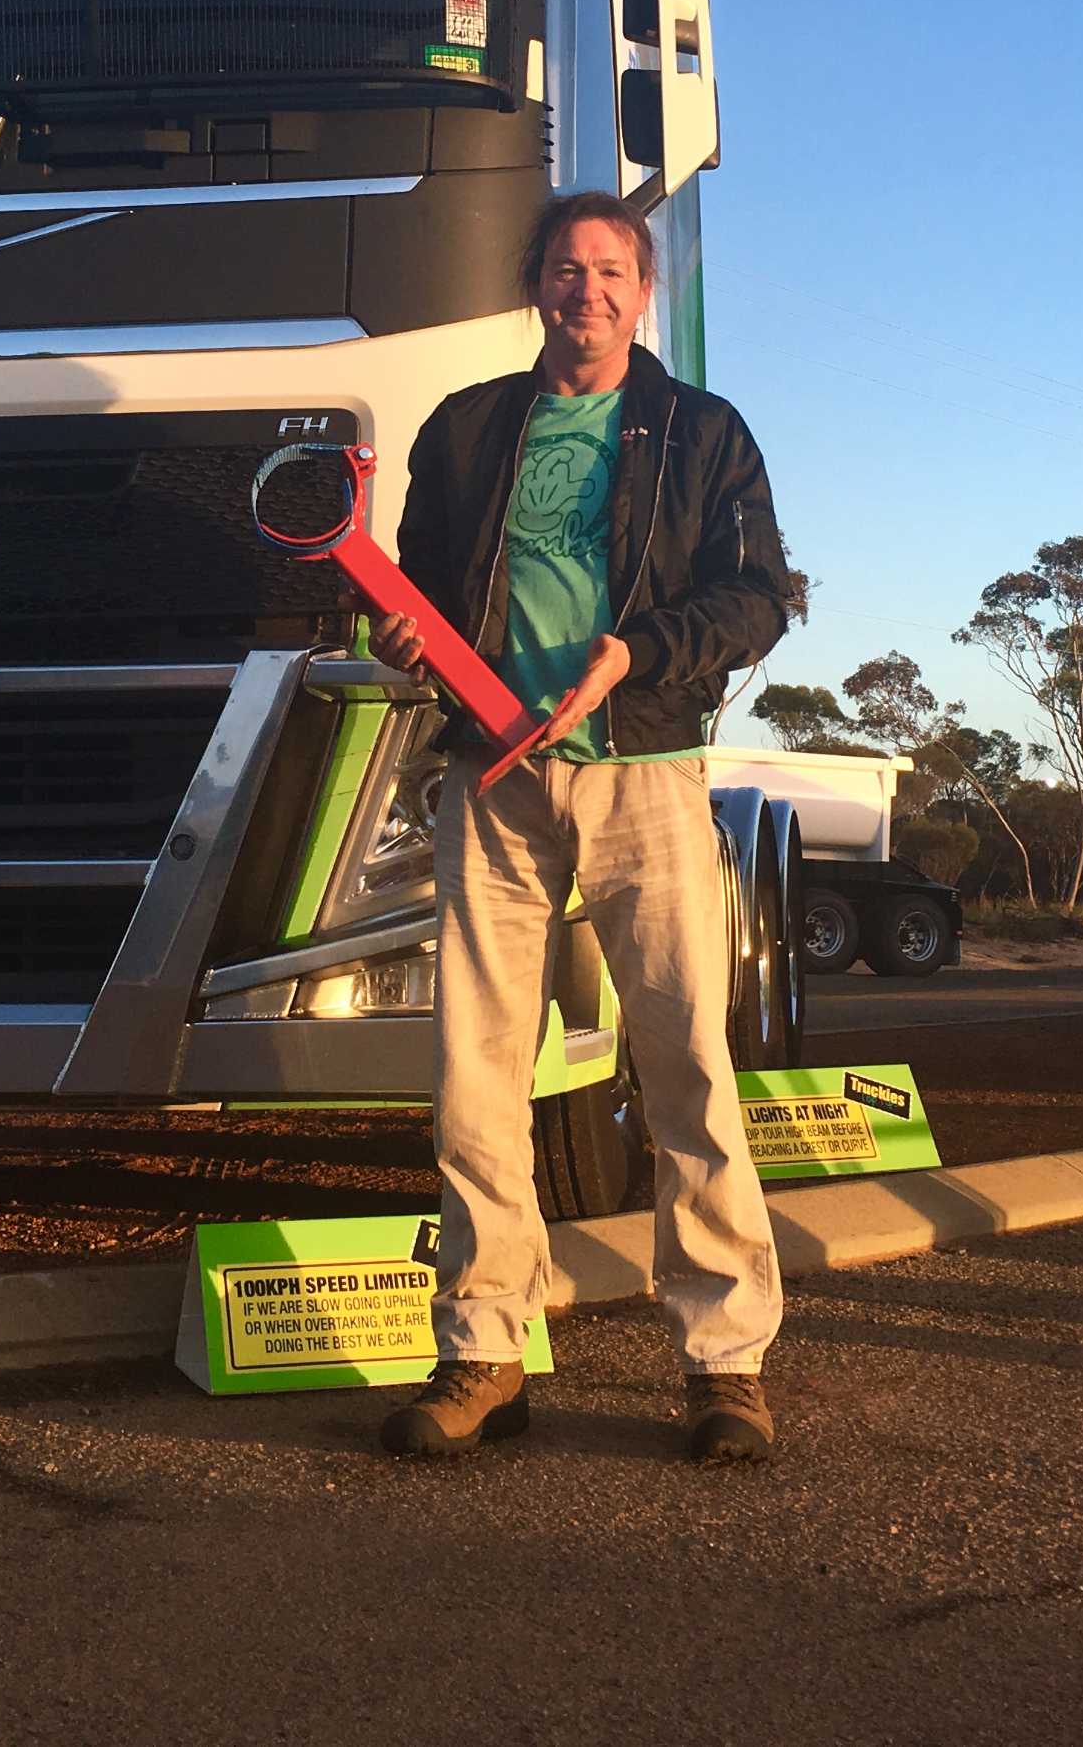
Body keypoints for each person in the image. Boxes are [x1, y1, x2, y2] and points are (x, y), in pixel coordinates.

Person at [370, 189, 793, 1464]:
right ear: (536, 287)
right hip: (492, 782)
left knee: (686, 1075)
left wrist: (636, 655)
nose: (587, 292)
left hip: (643, 774)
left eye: (611, 271)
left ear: (642, 291)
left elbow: (763, 598)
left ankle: (727, 1365)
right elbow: (420, 591)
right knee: (474, 1082)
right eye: (565, 270)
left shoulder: (702, 432)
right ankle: (485, 1351)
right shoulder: (464, 429)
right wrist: (403, 638)